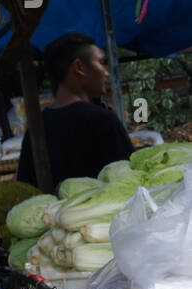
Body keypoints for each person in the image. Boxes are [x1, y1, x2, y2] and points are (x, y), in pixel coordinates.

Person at [16, 33, 134, 191]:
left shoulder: (37, 127)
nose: (106, 72)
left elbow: (25, 186)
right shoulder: (103, 120)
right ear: (79, 68)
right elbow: (131, 179)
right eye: (101, 62)